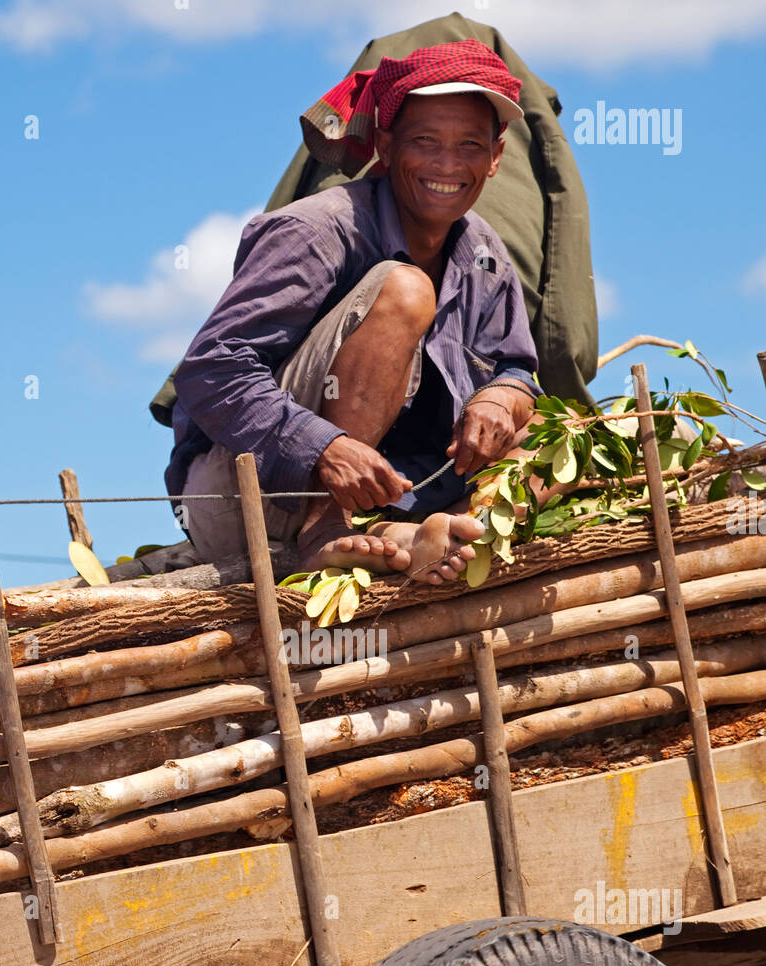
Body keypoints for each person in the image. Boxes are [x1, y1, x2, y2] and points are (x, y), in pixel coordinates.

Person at [166, 39, 541, 585]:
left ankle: (417, 535)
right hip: (254, 494)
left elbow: (517, 367)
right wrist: (324, 447)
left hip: (395, 486)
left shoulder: (484, 253)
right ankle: (325, 531)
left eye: (468, 146)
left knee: (568, 428)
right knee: (405, 290)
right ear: (386, 148)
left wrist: (502, 397)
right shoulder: (318, 231)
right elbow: (210, 369)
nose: (447, 164)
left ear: (496, 156)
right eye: (425, 142)